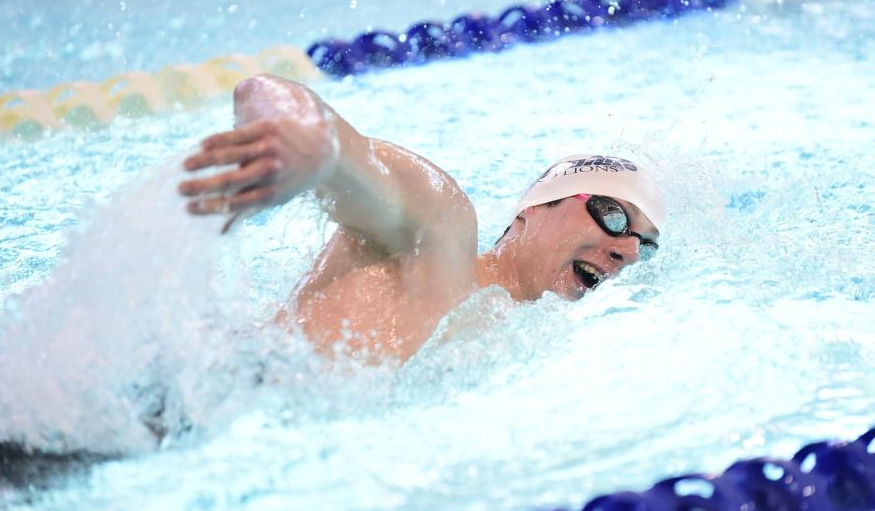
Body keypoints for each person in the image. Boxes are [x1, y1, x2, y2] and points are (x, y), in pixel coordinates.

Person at [178, 74, 665, 363]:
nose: (628, 250)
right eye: (612, 215)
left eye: (645, 243)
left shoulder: (507, 340)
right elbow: (269, 93)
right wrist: (304, 146)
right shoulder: (439, 234)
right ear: (534, 208)